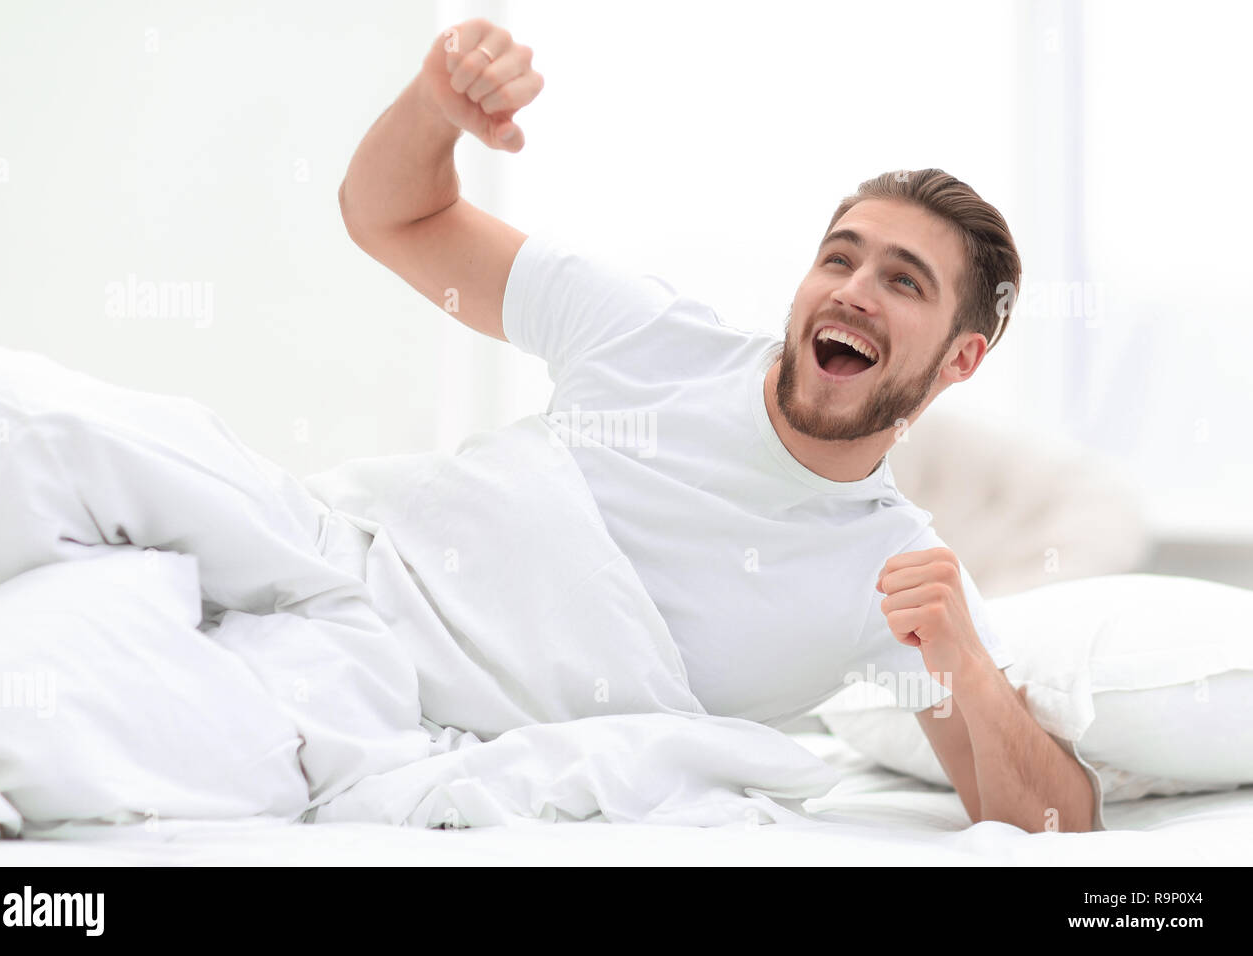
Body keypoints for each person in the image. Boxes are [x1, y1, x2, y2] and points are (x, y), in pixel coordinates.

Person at [336, 18, 1100, 833]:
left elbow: (1057, 827)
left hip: (379, 723)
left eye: (904, 282)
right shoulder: (642, 334)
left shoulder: (893, 576)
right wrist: (432, 106)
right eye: (839, 258)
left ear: (961, 359)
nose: (852, 290)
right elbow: (393, 219)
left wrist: (973, 674)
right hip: (335, 596)